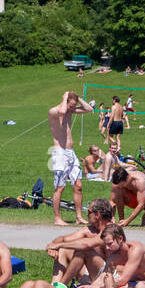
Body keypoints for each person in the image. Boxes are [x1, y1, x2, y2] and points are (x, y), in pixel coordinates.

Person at [43, 197, 115, 286]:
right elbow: (63, 239)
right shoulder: (89, 230)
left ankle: (61, 286)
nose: (86, 214)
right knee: (63, 249)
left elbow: (87, 244)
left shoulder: (111, 230)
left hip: (109, 277)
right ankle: (54, 285)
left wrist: (57, 245)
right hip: (92, 274)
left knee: (84, 249)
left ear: (97, 215)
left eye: (89, 212)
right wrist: (53, 247)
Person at [48, 90, 93, 226]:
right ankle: (57, 218)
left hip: (70, 152)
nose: (73, 108)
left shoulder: (69, 111)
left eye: (74, 106)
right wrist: (65, 97)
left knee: (78, 185)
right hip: (60, 152)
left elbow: (89, 109)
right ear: (65, 101)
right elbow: (61, 111)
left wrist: (78, 100)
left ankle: (79, 217)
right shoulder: (54, 111)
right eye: (71, 105)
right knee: (60, 187)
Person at [111, 163, 145, 228]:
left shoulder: (139, 180)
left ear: (127, 179)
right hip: (129, 198)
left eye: (121, 185)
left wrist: (127, 221)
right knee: (118, 191)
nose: (119, 186)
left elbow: (141, 205)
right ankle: (121, 220)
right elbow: (111, 201)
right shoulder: (117, 181)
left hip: (144, 198)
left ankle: (144, 217)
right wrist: (112, 217)